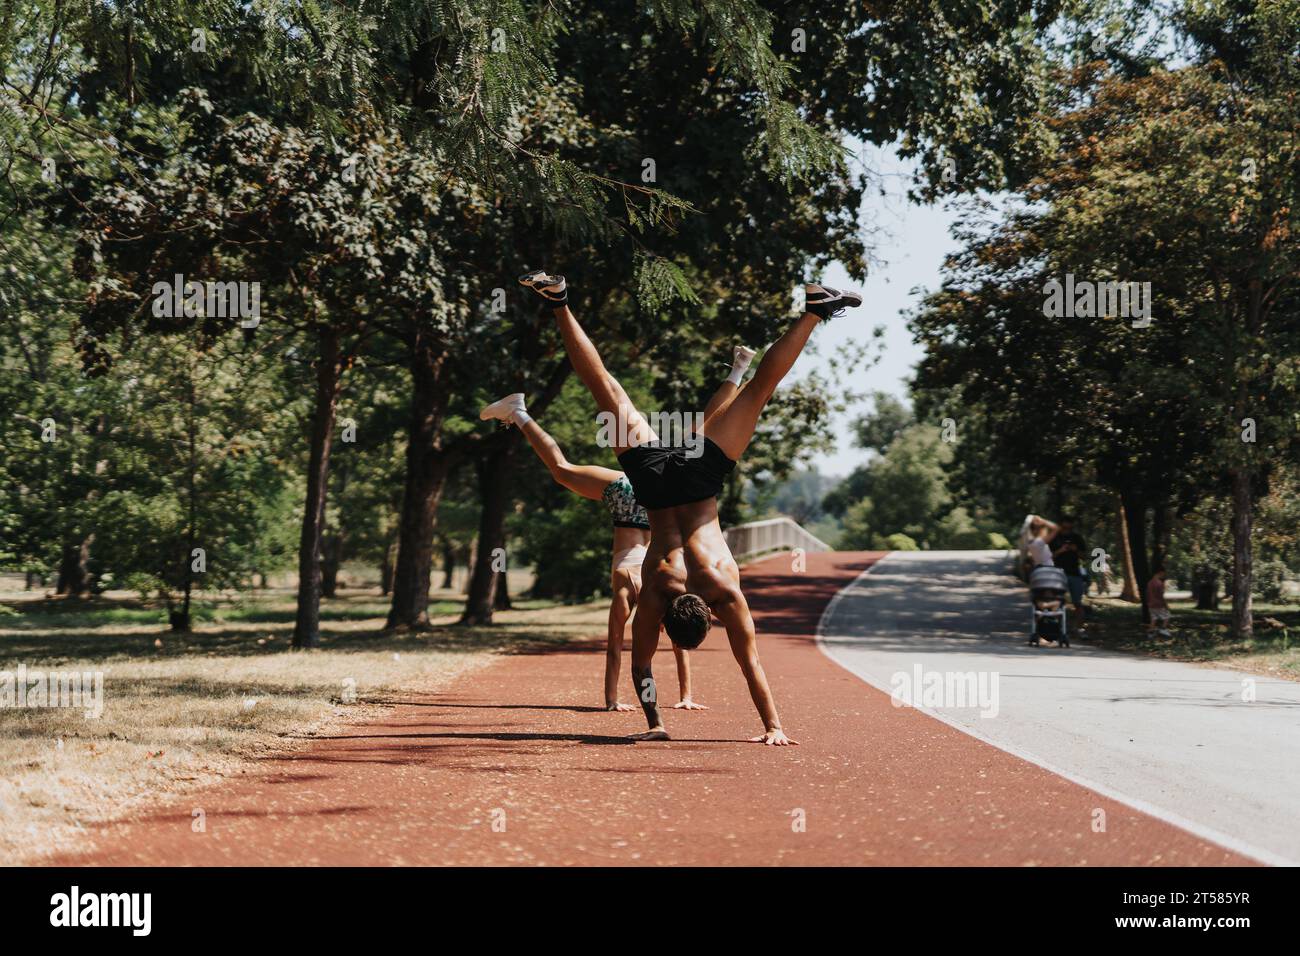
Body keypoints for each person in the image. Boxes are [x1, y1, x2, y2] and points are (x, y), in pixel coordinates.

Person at [517, 268, 862, 745]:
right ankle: (558, 301)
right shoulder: (656, 589)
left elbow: (751, 665)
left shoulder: (722, 588)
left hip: (701, 480)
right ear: (671, 619)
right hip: (653, 482)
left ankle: (814, 311)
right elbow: (641, 665)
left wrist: (774, 726)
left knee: (759, 390)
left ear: (708, 613)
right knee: (606, 388)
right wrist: (653, 721)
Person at [478, 347, 755, 711]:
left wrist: (665, 702)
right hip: (639, 503)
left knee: (697, 438)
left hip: (654, 491)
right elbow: (618, 646)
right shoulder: (641, 587)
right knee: (564, 469)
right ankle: (519, 412)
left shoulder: (672, 587)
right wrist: (615, 701)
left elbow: (651, 647)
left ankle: (737, 371)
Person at [1049, 515, 1088, 635]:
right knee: (1058, 601)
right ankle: (1059, 628)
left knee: (1078, 603)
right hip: (1058, 573)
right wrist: (1060, 551)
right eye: (1064, 526)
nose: (1067, 529)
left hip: (1074, 573)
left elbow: (1084, 556)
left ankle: (1079, 628)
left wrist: (1075, 549)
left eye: (1069, 527)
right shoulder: (1054, 538)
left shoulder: (1077, 538)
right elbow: (1048, 556)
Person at [1146, 565, 1172, 637]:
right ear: (1160, 572)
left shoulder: (1149, 583)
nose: (1164, 575)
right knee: (1167, 615)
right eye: (1164, 573)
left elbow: (1147, 594)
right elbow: (1161, 596)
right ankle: (1163, 629)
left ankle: (1150, 633)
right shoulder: (1159, 583)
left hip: (1151, 604)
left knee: (1153, 618)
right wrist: (1165, 605)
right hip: (1159, 604)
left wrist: (1148, 602)